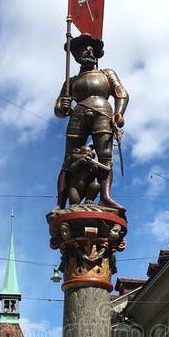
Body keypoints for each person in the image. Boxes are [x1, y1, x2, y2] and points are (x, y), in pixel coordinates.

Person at [54, 34, 128, 210]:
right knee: (68, 160)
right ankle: (60, 202)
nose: (88, 50)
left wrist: (119, 112)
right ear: (77, 54)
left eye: (91, 47)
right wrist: (62, 107)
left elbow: (121, 93)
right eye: (83, 47)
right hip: (78, 113)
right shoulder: (70, 82)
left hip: (102, 111)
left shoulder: (107, 73)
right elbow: (58, 108)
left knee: (105, 157)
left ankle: (105, 196)